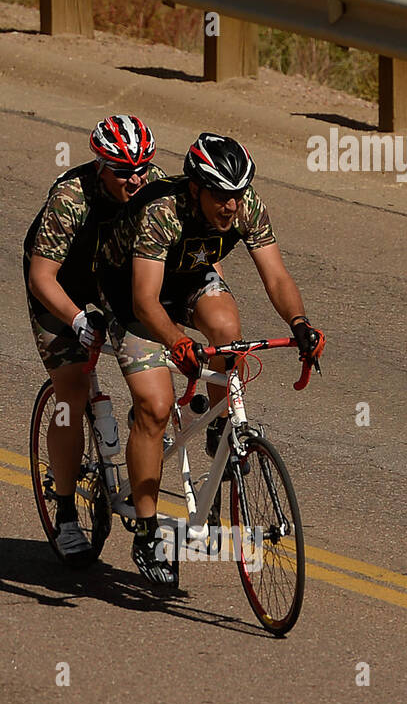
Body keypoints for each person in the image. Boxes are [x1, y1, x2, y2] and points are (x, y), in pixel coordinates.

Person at [97, 132, 325, 585]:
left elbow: (276, 276)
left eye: (237, 196)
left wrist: (300, 323)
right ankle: (146, 533)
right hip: (130, 294)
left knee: (227, 332)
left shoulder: (245, 205)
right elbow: (145, 302)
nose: (230, 207)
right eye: (220, 196)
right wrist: (178, 343)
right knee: (156, 407)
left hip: (185, 277)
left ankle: (222, 428)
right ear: (196, 189)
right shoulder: (162, 212)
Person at [23, 115, 179, 566]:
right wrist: (73, 320)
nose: (136, 179)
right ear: (99, 166)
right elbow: (41, 276)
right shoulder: (70, 199)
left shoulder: (155, 188)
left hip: (115, 283)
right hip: (61, 286)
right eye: (123, 171)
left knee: (149, 372)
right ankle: (68, 512)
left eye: (143, 168)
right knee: (71, 387)